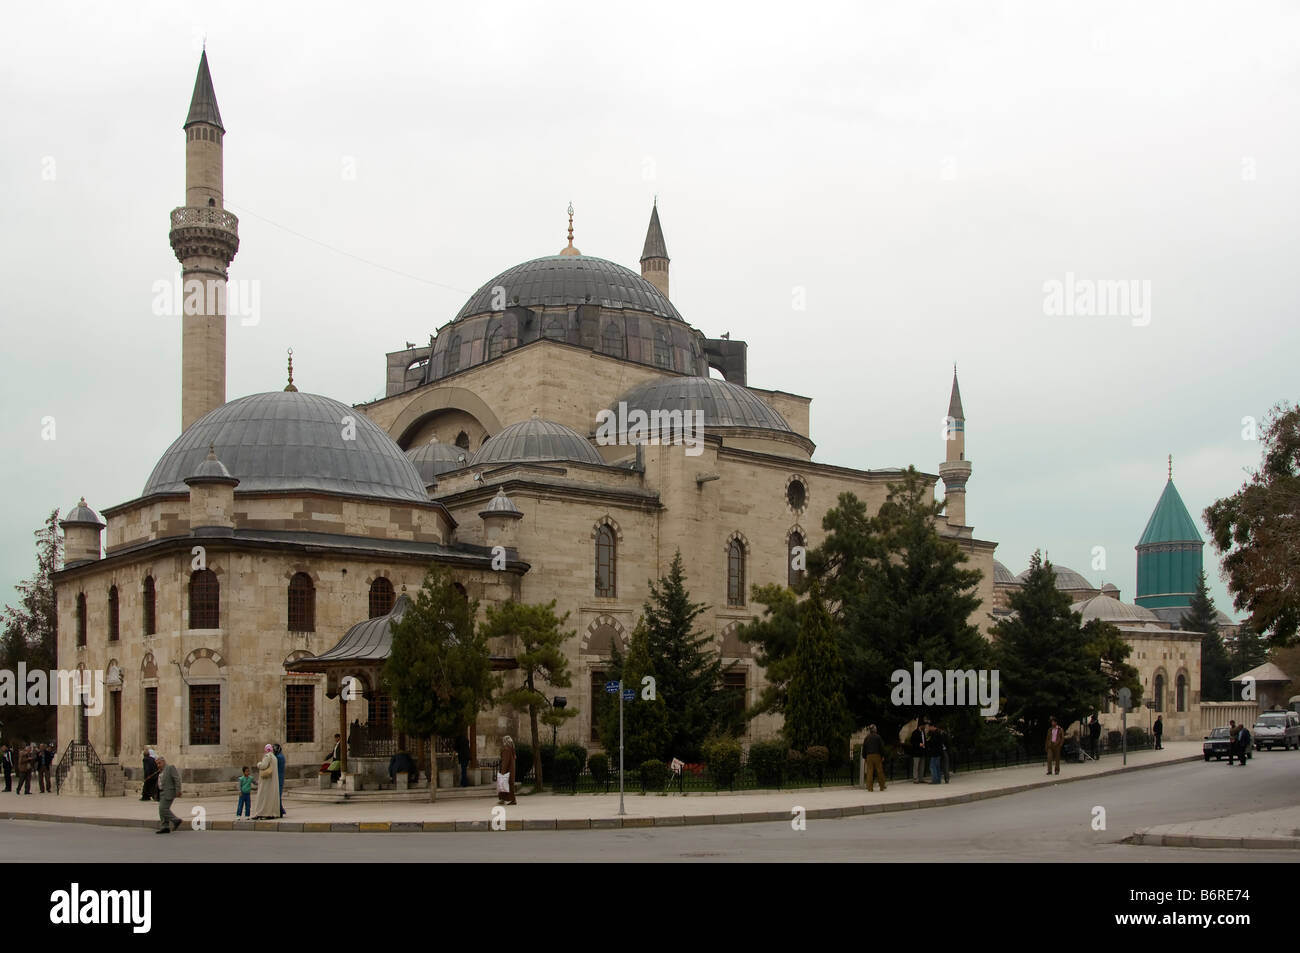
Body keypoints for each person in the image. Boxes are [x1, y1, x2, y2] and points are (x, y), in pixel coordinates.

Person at [252, 744, 280, 819]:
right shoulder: (274, 757)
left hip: (266, 780)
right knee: (271, 796)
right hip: (272, 781)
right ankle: (272, 813)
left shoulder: (267, 756)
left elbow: (263, 765)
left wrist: (258, 764)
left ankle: (261, 813)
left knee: (263, 797)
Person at [155, 756, 182, 833]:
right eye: (157, 764)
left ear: (163, 762)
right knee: (161, 811)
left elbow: (176, 779)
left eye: (159, 763)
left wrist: (178, 790)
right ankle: (165, 827)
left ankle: (176, 820)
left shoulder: (170, 768)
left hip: (168, 792)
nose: (158, 765)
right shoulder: (160, 771)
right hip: (161, 792)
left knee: (163, 809)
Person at [861, 725, 886, 791]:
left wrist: (864, 756)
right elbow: (881, 747)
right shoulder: (878, 737)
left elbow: (864, 748)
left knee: (869, 772)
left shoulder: (867, 738)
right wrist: (882, 755)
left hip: (869, 756)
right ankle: (882, 787)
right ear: (875, 730)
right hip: (877, 755)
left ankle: (870, 788)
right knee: (879, 771)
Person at [498, 736, 517, 805]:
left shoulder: (507, 749)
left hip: (507, 770)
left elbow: (505, 761)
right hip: (510, 769)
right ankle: (503, 799)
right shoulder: (512, 748)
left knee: (508, 785)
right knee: (505, 785)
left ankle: (513, 800)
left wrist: (503, 772)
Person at [273, 743, 286, 817]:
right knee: (278, 794)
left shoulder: (278, 757)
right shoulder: (281, 756)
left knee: (277, 794)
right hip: (280, 777)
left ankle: (280, 810)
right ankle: (280, 810)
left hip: (278, 778)